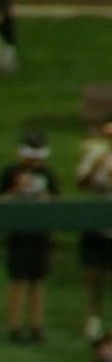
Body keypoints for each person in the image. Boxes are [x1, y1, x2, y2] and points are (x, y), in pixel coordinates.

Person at [0, 131, 59, 344]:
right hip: (18, 234)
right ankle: (14, 327)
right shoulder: (9, 172)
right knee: (18, 282)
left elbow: (58, 203)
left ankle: (36, 326)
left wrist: (45, 199)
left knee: (38, 282)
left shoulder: (48, 174)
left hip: (40, 235)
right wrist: (15, 190)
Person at [75, 117, 112, 341]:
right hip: (96, 220)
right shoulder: (94, 152)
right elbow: (81, 182)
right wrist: (97, 165)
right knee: (93, 272)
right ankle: (93, 317)